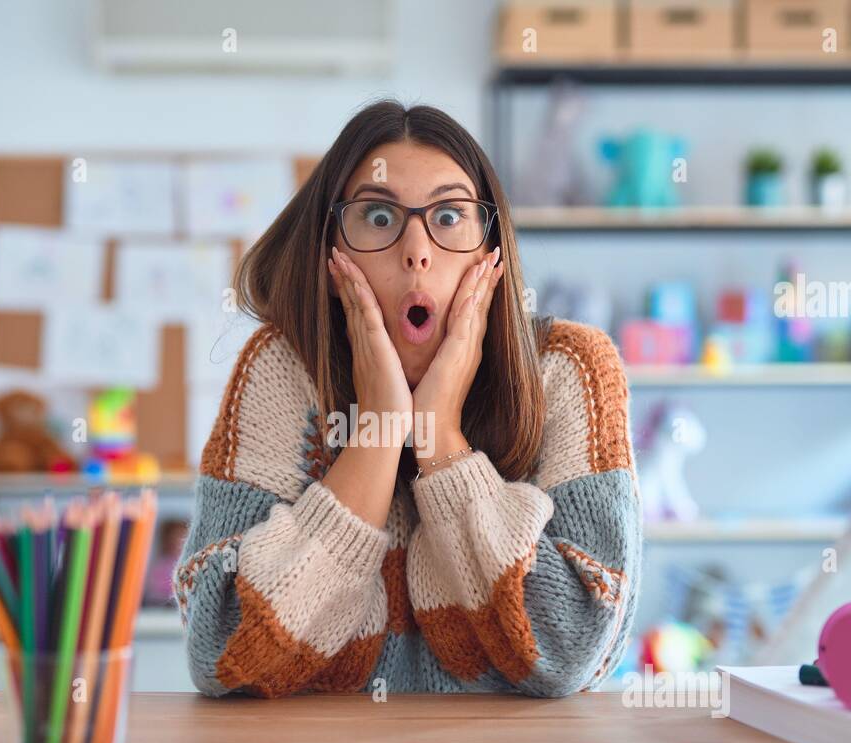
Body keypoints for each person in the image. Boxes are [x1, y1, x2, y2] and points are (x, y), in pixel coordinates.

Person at [173, 99, 642, 698]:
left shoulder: (568, 368)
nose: (416, 251)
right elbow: (224, 654)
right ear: (330, 251)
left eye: (449, 216)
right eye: (377, 215)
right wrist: (379, 428)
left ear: (489, 252)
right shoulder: (281, 369)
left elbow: (573, 648)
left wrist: (440, 435)